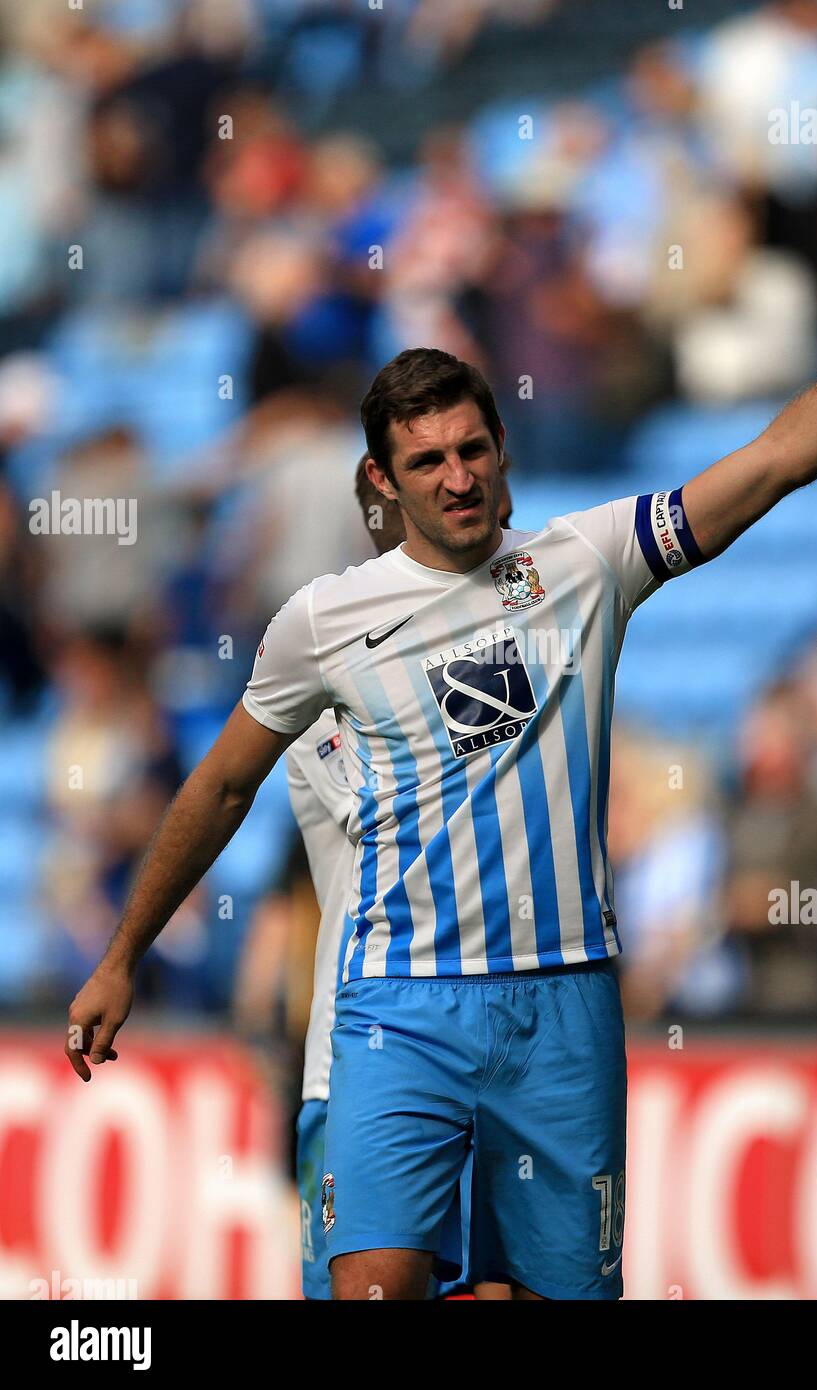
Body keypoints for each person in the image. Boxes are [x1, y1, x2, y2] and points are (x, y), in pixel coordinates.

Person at [66, 222, 817, 1299]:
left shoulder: (585, 563)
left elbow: (778, 460)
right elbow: (226, 781)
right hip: (399, 1001)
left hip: (563, 999)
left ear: (503, 449)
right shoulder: (323, 623)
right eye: (428, 461)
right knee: (375, 1280)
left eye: (473, 449)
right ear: (384, 481)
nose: (459, 478)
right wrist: (123, 952)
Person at [291, 454, 513, 1301]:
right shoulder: (324, 683)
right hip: (362, 1063)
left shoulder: (500, 656)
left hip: (500, 1045)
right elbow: (425, 796)